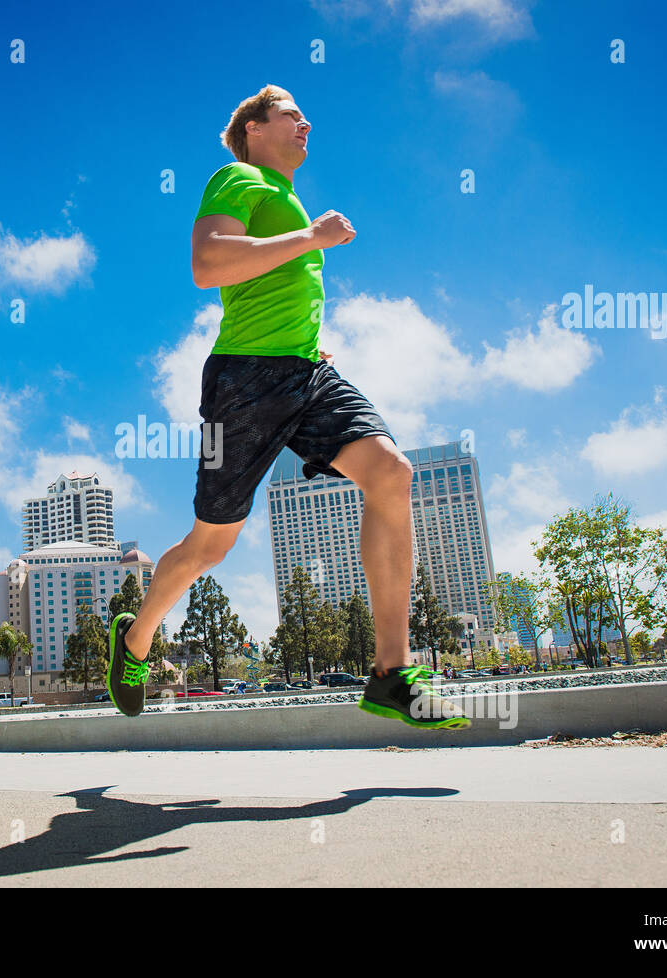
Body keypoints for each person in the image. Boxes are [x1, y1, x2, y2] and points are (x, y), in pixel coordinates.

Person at [105, 84, 469, 731]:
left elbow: (274, 290)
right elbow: (208, 262)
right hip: (241, 384)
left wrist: (309, 344)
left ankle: (391, 672)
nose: (307, 123)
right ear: (254, 129)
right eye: (291, 114)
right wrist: (312, 235)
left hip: (308, 375)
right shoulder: (237, 177)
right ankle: (135, 640)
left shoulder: (289, 197)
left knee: (392, 472)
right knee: (210, 546)